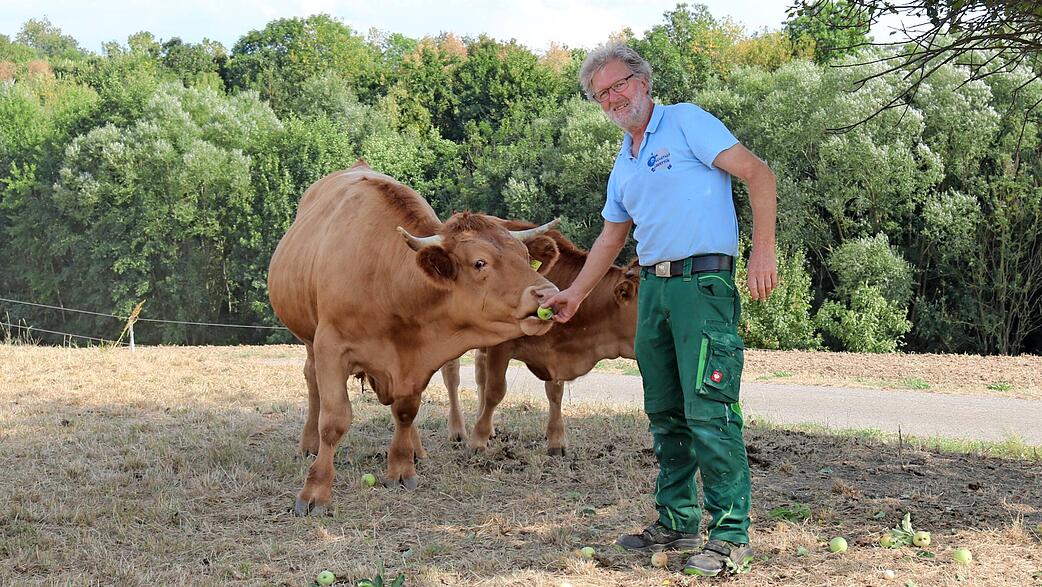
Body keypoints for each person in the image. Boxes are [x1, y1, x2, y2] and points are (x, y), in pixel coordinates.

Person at [542, 43, 778, 577]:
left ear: (643, 80)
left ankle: (730, 537)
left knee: (710, 409)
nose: (612, 97)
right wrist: (574, 294)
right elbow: (610, 238)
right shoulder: (624, 162)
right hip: (653, 291)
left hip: (703, 285)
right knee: (666, 410)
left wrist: (763, 250)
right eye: (601, 93)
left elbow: (758, 175)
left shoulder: (687, 122)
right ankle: (677, 519)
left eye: (618, 84)